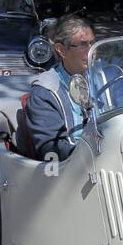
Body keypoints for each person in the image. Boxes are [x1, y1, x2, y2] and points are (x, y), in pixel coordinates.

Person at [24, 15, 97, 162]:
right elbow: (51, 148)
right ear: (61, 50)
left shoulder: (103, 77)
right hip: (76, 168)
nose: (91, 51)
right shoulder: (45, 91)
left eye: (93, 43)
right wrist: (91, 151)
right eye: (83, 44)